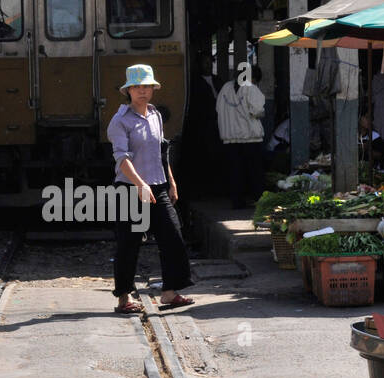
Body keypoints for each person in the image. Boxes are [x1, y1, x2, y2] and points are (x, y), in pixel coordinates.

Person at [108, 64, 194, 314]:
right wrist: (140, 184)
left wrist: (172, 182)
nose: (142, 91)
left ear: (153, 89)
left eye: (146, 86)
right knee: (128, 243)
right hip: (129, 189)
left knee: (173, 237)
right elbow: (122, 159)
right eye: (137, 87)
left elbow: (160, 153)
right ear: (128, 91)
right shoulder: (120, 121)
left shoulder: (155, 115)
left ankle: (170, 292)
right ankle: (124, 298)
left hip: (157, 186)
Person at [215, 64, 266, 209]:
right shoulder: (251, 87)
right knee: (254, 172)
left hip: (230, 138)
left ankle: (237, 202)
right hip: (250, 138)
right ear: (253, 78)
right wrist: (262, 113)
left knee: (236, 172)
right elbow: (257, 110)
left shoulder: (225, 87)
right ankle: (258, 201)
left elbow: (218, 108)